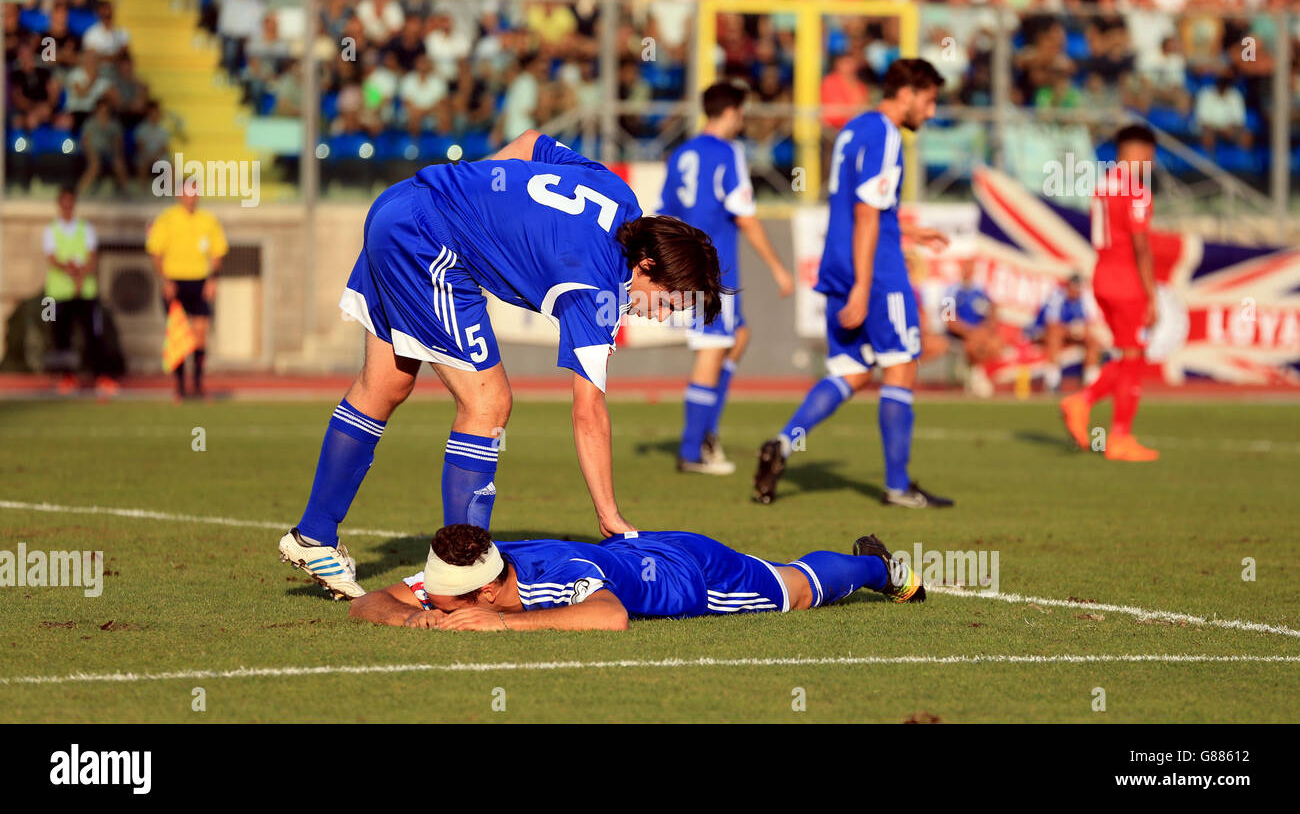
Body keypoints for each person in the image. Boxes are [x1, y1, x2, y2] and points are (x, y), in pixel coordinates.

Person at [279, 131, 725, 600]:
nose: (667, 314)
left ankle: (314, 536)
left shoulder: (620, 195)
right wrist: (608, 514)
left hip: (400, 204)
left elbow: (531, 141)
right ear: (648, 266)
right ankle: (464, 576)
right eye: (670, 301)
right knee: (488, 404)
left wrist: (474, 187)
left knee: (384, 385)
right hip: (429, 242)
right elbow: (588, 412)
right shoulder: (597, 286)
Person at [754, 59, 954, 508]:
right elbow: (866, 214)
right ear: (905, 94)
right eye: (929, 100)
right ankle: (898, 487)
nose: (932, 111)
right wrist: (867, 284)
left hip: (838, 263)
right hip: (876, 272)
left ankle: (784, 444)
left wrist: (905, 232)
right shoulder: (886, 133)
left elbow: (863, 209)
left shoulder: (853, 128)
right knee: (900, 365)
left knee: (852, 370)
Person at [349, 523, 924, 631]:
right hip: (636, 551)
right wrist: (417, 617)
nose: (437, 602)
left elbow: (611, 617)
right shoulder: (470, 570)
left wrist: (506, 630)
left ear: (490, 590)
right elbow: (368, 601)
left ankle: (877, 566)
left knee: (794, 592)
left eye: (450, 603)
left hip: (693, 576)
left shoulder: (556, 580)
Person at [658, 81, 793, 474]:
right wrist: (777, 266)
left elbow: (664, 212)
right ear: (732, 112)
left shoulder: (682, 153)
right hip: (713, 269)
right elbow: (744, 215)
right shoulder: (728, 153)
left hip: (689, 265)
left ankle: (706, 433)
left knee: (739, 336)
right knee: (712, 349)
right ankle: (692, 450)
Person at [1060, 125, 1160, 461]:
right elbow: (1141, 246)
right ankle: (1116, 433)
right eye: (1150, 154)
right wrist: (1152, 294)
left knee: (1128, 355)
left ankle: (1086, 405)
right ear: (1142, 151)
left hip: (1101, 276)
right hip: (1127, 281)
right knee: (1134, 357)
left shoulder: (1104, 185)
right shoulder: (1136, 190)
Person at [145, 187, 228, 401]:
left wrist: (212, 279)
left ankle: (199, 384)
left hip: (200, 282)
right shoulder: (167, 219)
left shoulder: (208, 220)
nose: (190, 198)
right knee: (178, 336)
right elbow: (156, 252)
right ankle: (180, 387)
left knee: (200, 335)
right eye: (186, 193)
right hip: (176, 282)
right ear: (179, 196)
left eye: (193, 193)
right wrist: (166, 281)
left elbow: (217, 252)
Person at [43, 186, 117, 396]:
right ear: (59, 204)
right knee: (61, 335)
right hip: (59, 293)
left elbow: (92, 257)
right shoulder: (51, 229)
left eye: (70, 202)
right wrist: (71, 272)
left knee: (94, 334)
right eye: (63, 202)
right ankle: (66, 378)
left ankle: (102, 377)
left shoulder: (86, 228)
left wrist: (81, 277)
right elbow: (52, 258)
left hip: (85, 292)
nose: (67, 206)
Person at [1027, 274, 1100, 392]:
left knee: (1092, 340)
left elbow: (1088, 323)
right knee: (1055, 335)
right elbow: (1052, 324)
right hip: (1041, 332)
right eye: (1075, 286)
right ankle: (1053, 379)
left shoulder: (1084, 298)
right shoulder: (1057, 296)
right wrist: (1072, 330)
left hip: (1069, 333)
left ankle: (1091, 380)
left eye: (1079, 287)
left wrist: (1078, 330)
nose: (1077, 290)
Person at [941, 257, 1000, 397]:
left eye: (971, 267)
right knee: (974, 343)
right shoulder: (951, 290)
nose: (968, 271)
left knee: (995, 344)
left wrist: (985, 329)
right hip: (960, 334)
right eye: (966, 267)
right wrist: (969, 331)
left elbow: (993, 311)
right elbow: (948, 318)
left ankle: (978, 374)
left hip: (980, 333)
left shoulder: (981, 291)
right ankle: (976, 376)